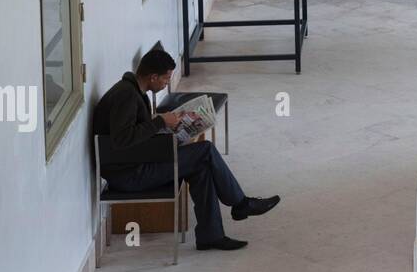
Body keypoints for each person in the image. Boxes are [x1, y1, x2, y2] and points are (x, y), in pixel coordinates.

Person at [94, 44, 279, 251]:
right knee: (205, 149)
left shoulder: (132, 91)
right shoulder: (127, 95)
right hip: (130, 175)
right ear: (153, 77)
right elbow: (122, 139)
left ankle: (211, 235)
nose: (166, 83)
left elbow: (131, 133)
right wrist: (160, 122)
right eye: (165, 78)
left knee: (200, 166)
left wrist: (168, 128)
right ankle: (241, 204)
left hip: (135, 164)